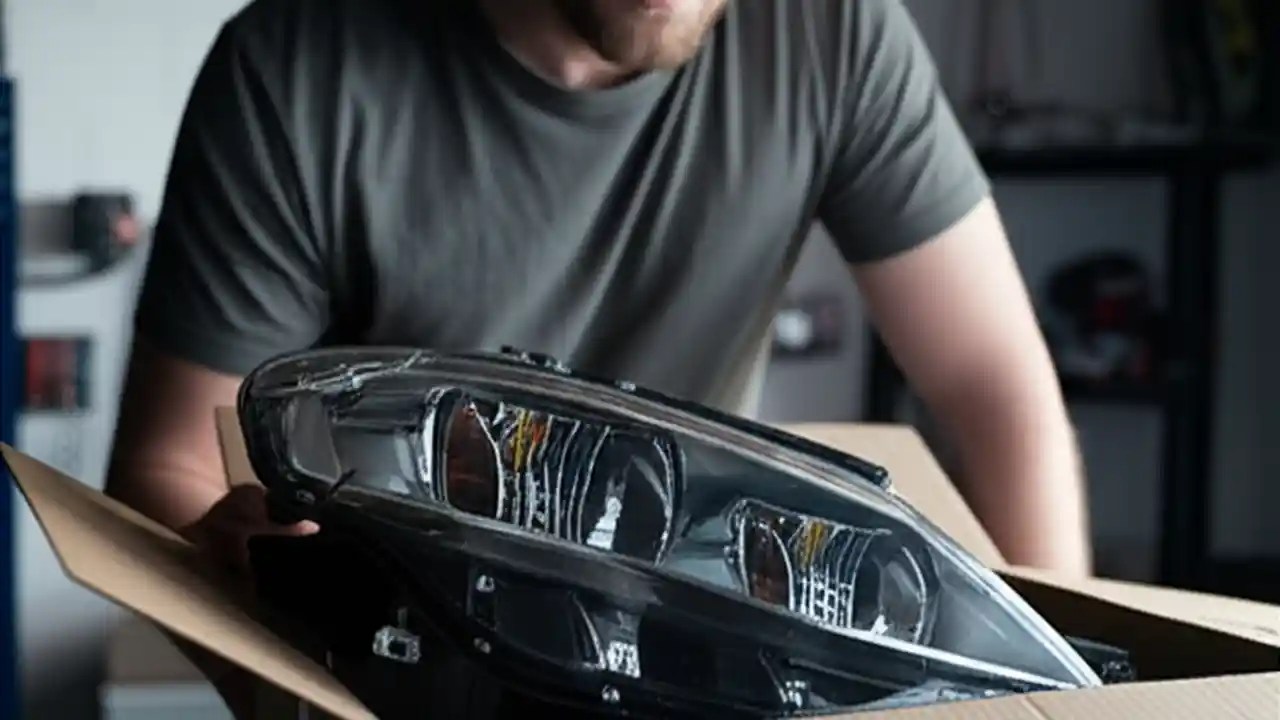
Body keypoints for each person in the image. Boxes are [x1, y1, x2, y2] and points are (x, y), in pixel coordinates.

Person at [106, 0, 1091, 592]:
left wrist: (1073, 695)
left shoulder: (831, 33)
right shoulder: (295, 69)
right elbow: (167, 461)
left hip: (691, 617)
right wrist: (256, 590)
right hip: (404, 630)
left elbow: (990, 387)